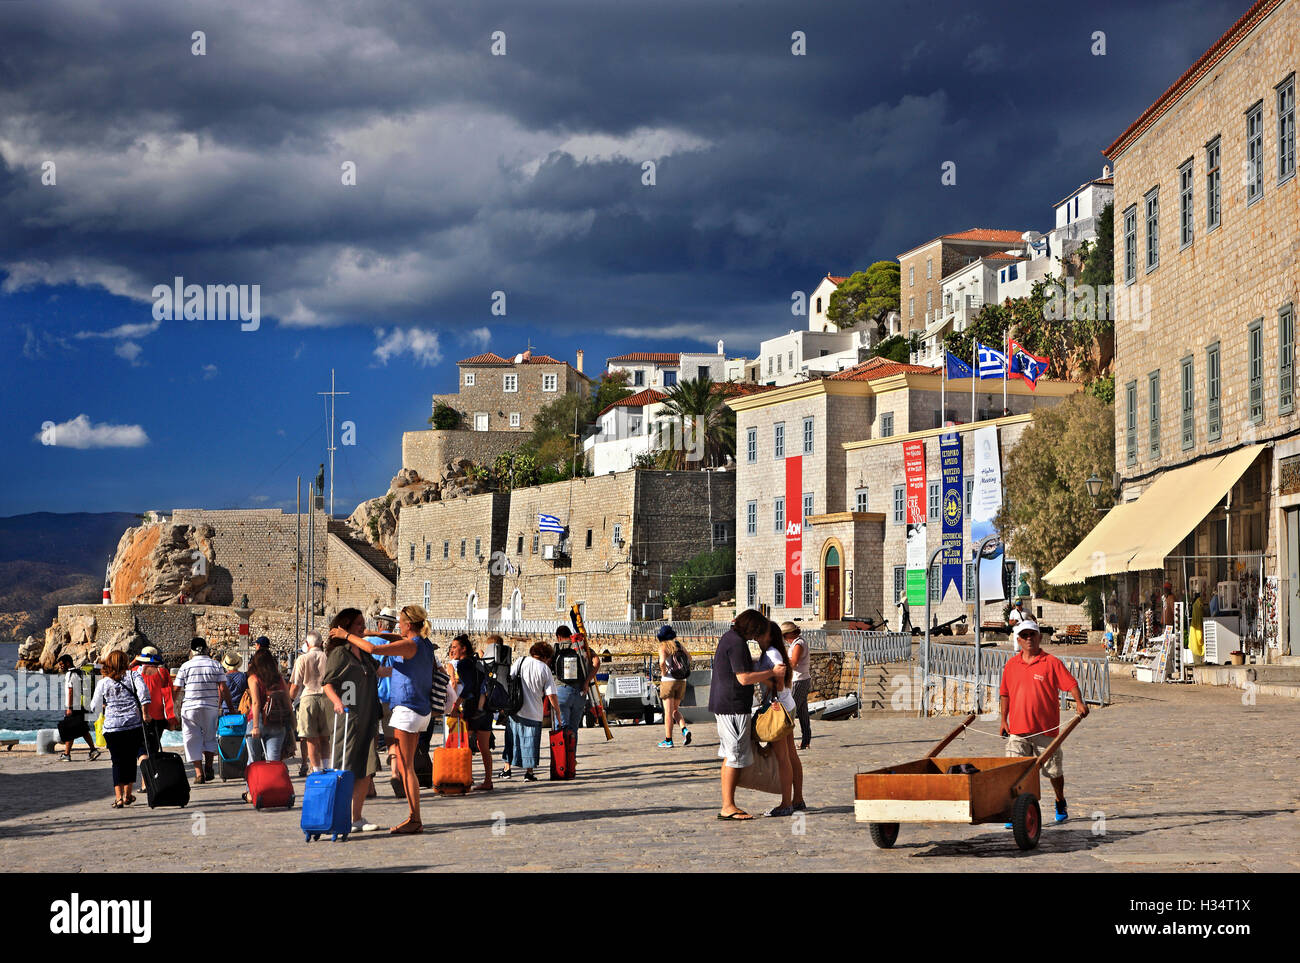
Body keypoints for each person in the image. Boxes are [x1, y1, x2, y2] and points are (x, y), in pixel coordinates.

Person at [333, 605, 435, 834]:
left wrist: (346, 635)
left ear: (409, 624)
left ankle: (414, 818)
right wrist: (374, 633)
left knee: (407, 768)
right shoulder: (424, 642)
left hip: (408, 710)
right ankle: (414, 816)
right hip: (420, 710)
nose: (398, 624)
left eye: (400, 621)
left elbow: (372, 650)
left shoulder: (410, 645)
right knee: (408, 767)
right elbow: (394, 637)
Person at [999, 620, 1089, 825]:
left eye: (1033, 635)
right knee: (1015, 772)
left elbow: (1071, 684)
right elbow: (1004, 694)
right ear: (1019, 640)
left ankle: (1060, 800)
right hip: (1018, 731)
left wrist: (1079, 702)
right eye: (1025, 635)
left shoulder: (1051, 663)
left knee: (1054, 772)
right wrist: (1003, 720)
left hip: (1045, 730)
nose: (1029, 638)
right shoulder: (1012, 665)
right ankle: (1016, 810)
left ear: (1039, 637)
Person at [709, 610, 785, 820]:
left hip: (726, 704)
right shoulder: (736, 643)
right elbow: (744, 678)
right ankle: (728, 806)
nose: (756, 637)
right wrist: (772, 673)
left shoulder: (730, 638)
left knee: (729, 755)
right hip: (732, 705)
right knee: (734, 754)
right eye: (756, 632)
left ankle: (728, 804)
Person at [322, 608, 382, 834]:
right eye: (358, 623)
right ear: (346, 626)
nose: (362, 627)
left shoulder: (366, 654)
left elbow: (381, 671)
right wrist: (337, 702)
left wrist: (406, 666)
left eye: (362, 623)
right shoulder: (340, 653)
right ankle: (338, 816)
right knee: (344, 767)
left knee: (366, 768)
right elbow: (327, 683)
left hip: (368, 717)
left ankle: (356, 818)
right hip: (348, 719)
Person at [756, 620, 806, 816]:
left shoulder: (771, 653)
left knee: (783, 757)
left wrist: (761, 677)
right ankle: (798, 798)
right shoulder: (778, 650)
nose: (756, 638)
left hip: (779, 707)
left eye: (760, 635)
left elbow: (778, 677)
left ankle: (786, 803)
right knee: (791, 755)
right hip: (787, 704)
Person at [89, 650, 150, 808]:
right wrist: (145, 713)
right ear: (125, 661)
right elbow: (144, 694)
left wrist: (105, 707)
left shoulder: (103, 682)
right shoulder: (133, 675)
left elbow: (93, 706)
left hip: (112, 728)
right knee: (130, 760)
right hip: (132, 725)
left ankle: (119, 798)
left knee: (117, 762)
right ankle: (129, 794)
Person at [172, 638, 230, 785]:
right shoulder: (215, 665)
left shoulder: (185, 666)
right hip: (210, 707)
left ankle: (199, 774)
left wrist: (172, 707)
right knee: (210, 737)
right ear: (206, 649)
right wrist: (231, 707)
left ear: (191, 650)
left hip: (190, 707)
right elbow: (223, 688)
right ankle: (209, 766)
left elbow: (176, 689)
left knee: (192, 739)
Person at [504, 640, 561, 782]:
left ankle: (507, 769)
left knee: (512, 739)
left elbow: (509, 679)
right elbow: (551, 695)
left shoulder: (520, 661)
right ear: (546, 657)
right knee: (530, 742)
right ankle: (528, 773)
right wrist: (558, 712)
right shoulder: (544, 669)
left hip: (516, 709)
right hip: (534, 711)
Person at [447, 635, 494, 791]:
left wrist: (455, 706)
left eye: (454, 647)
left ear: (463, 648)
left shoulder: (463, 664)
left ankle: (467, 778)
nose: (452, 650)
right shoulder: (476, 661)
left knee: (466, 746)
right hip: (485, 708)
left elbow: (468, 688)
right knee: (484, 747)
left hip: (472, 709)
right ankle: (488, 781)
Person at [132, 647, 175, 794]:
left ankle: (145, 783)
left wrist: (134, 660)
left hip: (140, 715)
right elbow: (169, 696)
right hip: (159, 717)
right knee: (154, 749)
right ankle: (149, 781)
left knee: (142, 749)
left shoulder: (136, 671)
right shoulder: (163, 672)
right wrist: (171, 718)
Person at [245, 648, 293, 769]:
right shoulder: (279, 678)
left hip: (258, 720)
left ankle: (252, 787)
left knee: (253, 760)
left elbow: (256, 703)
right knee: (274, 761)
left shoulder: (253, 678)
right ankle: (272, 786)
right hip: (277, 721)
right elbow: (288, 700)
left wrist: (255, 726)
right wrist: (290, 722)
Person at [290, 630, 331, 773]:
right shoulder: (328, 658)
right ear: (322, 643)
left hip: (308, 698)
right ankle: (326, 766)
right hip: (326, 697)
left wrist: (290, 699)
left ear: (307, 644)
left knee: (311, 738)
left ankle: (316, 769)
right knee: (325, 737)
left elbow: (296, 685)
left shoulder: (302, 659)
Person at [551, 625, 588, 750]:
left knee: (561, 729)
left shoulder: (555, 649)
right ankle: (572, 762)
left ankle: (561, 764)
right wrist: (586, 682)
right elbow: (596, 662)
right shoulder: (579, 647)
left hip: (561, 692)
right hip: (579, 692)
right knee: (573, 730)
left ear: (559, 637)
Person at [655, 625, 692, 748]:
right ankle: (684, 730)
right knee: (675, 710)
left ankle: (668, 740)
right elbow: (690, 658)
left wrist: (663, 671)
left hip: (668, 681)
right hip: (681, 681)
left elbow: (661, 662)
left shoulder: (663, 647)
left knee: (668, 712)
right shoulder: (679, 645)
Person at [58, 655, 100, 762]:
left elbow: (71, 691)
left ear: (68, 663)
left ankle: (67, 755)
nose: (60, 667)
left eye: (62, 664)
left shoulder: (70, 674)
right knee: (82, 729)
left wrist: (69, 707)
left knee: (69, 728)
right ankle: (92, 750)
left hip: (74, 706)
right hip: (82, 705)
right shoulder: (79, 672)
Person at [782, 621, 812, 750]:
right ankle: (806, 740)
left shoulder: (798, 644)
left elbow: (793, 663)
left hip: (799, 680)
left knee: (790, 711)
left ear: (789, 634)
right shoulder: (797, 643)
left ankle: (787, 741)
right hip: (802, 679)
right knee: (802, 711)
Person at [1188, 590, 1205, 665]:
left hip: (1193, 634)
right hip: (1197, 635)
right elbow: (1199, 623)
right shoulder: (1199, 606)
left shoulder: (1195, 605)